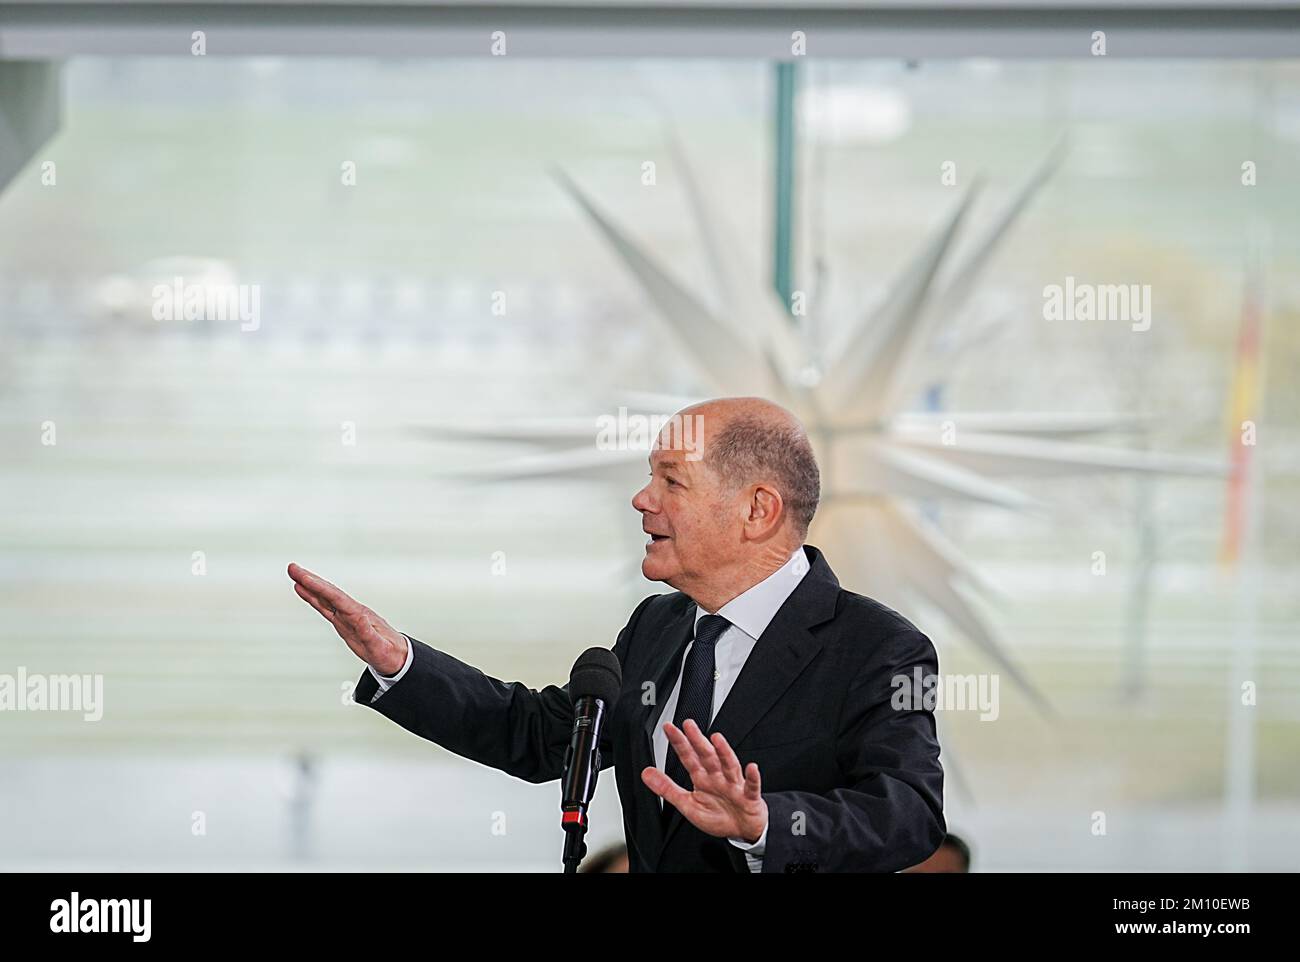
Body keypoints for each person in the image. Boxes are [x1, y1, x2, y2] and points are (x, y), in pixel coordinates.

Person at [289, 396, 945, 872]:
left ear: (757, 510)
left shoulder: (881, 649)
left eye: (671, 481)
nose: (641, 498)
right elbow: (541, 736)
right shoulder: (656, 628)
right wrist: (399, 660)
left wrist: (766, 823)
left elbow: (909, 813)